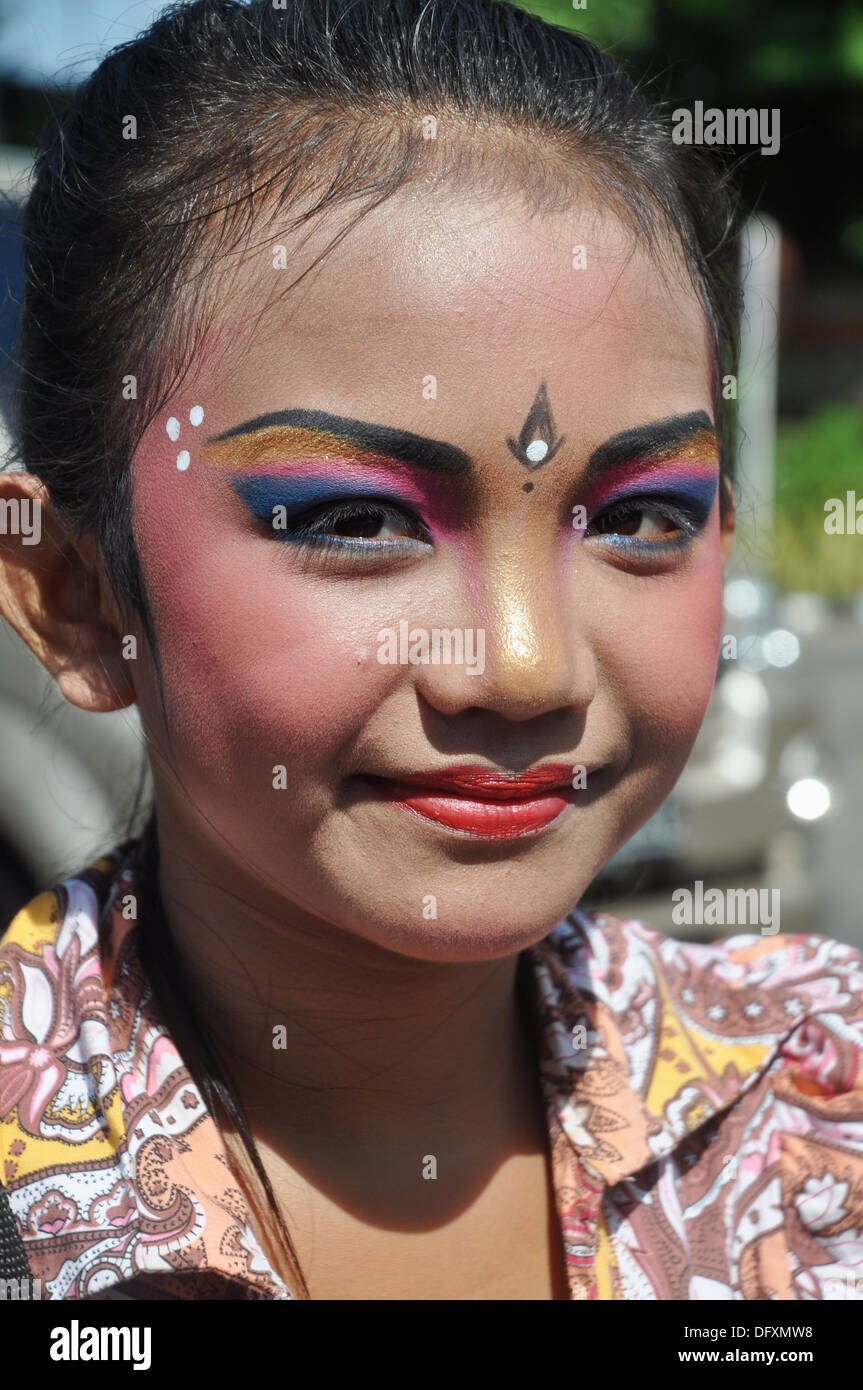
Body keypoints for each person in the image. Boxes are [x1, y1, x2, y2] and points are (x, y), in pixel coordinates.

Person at [0, 0, 861, 1303]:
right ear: (75, 593)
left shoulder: (820, 1079)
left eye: (637, 517)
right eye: (353, 520)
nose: (524, 667)